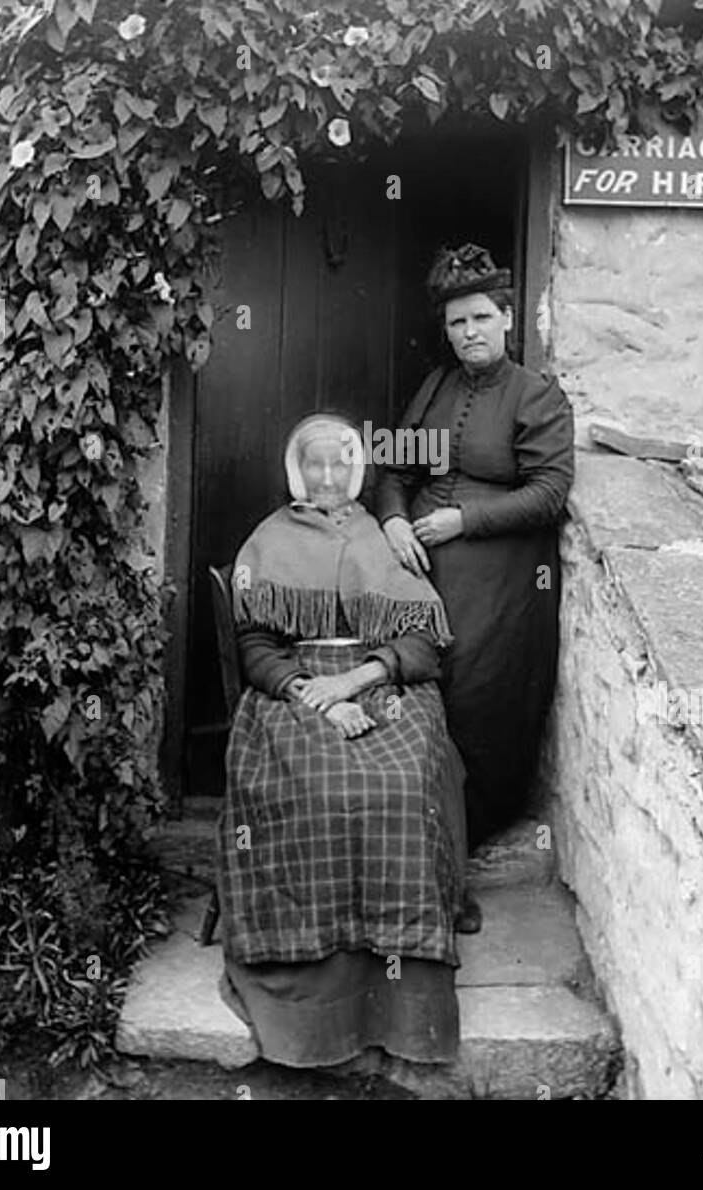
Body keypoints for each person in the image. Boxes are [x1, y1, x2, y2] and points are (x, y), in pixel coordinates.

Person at [214, 413, 467, 1069]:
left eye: (338, 465)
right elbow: (254, 647)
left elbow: (422, 641)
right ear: (297, 471)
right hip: (293, 691)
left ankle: (406, 999)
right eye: (314, 465)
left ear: (354, 471)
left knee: (403, 782)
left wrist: (357, 681)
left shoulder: (378, 537)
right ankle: (311, 994)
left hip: (381, 679)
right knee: (318, 788)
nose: (326, 478)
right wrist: (315, 698)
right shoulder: (267, 540)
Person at [376, 243, 575, 930]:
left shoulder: (536, 396)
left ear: (507, 320)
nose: (469, 333)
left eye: (482, 319)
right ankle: (395, 862)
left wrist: (463, 519)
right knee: (399, 695)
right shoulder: (435, 387)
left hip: (498, 574)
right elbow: (393, 466)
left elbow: (548, 493)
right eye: (458, 323)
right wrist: (396, 519)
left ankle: (450, 870)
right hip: (416, 568)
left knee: (469, 705)